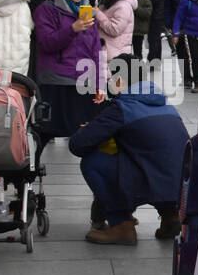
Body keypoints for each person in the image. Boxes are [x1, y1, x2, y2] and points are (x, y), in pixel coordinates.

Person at [68, 78, 187, 245]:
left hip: (149, 180)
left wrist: (90, 129)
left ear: (120, 81)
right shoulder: (169, 108)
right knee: (157, 160)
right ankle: (170, 215)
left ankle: (121, 224)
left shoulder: (123, 107)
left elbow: (77, 145)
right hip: (180, 186)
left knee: (92, 162)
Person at [32, 0, 105, 138]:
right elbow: (46, 43)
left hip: (84, 80)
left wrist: (99, 83)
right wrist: (73, 29)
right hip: (57, 81)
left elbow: (96, 49)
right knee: (47, 130)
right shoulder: (47, 9)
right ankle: (34, 163)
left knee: (84, 132)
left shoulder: (88, 11)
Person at [91, 0, 137, 79]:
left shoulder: (123, 6)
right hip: (107, 53)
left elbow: (115, 29)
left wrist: (98, 14)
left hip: (115, 57)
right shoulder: (108, 3)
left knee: (113, 89)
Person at [163, 0, 192, 88]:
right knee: (182, 53)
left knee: (195, 54)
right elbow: (167, 9)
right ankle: (186, 78)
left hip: (193, 26)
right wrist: (170, 24)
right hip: (178, 26)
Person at [127, 0, 153, 68]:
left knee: (137, 51)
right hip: (128, 29)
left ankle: (139, 70)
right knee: (127, 52)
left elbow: (147, 13)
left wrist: (136, 8)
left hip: (138, 30)